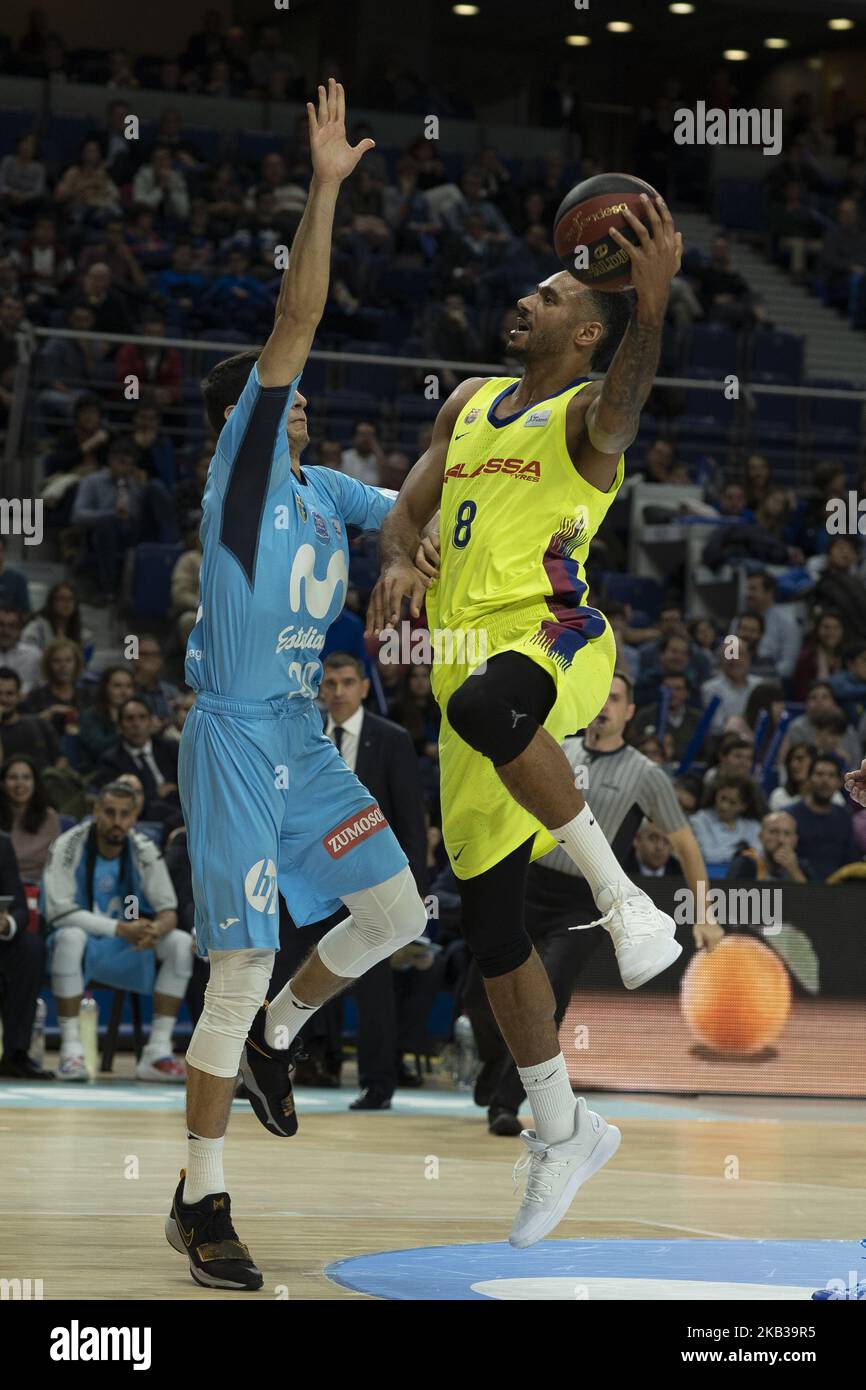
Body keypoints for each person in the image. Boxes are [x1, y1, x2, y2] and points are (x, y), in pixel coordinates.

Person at [367, 192, 686, 1244]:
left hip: (556, 635)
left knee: (487, 699)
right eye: (531, 292)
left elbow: (628, 406)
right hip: (464, 663)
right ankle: (562, 1129)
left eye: (549, 297)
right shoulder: (467, 403)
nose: (526, 301)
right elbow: (408, 508)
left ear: (588, 332)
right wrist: (397, 560)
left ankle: (624, 902)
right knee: (493, 930)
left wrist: (650, 308)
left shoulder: (590, 412)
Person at [170, 81, 430, 1293]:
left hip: (297, 737)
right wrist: (325, 187)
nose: (305, 402)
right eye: (284, 395)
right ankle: (201, 1202)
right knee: (233, 967)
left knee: (396, 916)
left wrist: (411, 543)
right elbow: (299, 311)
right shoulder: (240, 477)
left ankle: (283, 1033)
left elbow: (416, 505)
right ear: (246, 414)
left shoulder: (324, 489)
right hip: (231, 739)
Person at [462, 672, 720, 1137]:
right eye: (601, 696)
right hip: (526, 883)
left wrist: (704, 914)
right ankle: (495, 1060)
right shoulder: (555, 745)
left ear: (629, 711)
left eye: (615, 699)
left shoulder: (646, 773)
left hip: (582, 904)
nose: (604, 706)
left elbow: (686, 845)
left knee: (548, 993)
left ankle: (505, 1101)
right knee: (477, 994)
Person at [41, 781, 191, 1083]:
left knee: (180, 943)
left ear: (135, 816)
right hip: (81, 942)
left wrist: (155, 929)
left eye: (125, 814)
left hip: (126, 942)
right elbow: (59, 912)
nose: (117, 821)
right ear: (96, 811)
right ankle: (71, 1051)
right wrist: (120, 928)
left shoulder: (143, 849)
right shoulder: (69, 844)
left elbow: (168, 910)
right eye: (110, 812)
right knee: (70, 937)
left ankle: (157, 1052)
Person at [0, 825, 50, 1079]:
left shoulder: (2, 843)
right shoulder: (75, 847)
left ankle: (16, 1053)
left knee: (31, 948)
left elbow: (19, 906)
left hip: (0, 940)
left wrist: (7, 923)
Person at [789, 755, 857, 881]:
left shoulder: (845, 815)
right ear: (809, 778)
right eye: (819, 774)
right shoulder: (790, 815)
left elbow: (851, 859)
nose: (825, 780)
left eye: (831, 775)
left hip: (840, 887)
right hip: (799, 886)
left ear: (839, 782)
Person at [0, 755, 61, 884]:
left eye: (26, 777)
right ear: (2, 783)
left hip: (42, 888)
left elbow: (56, 863)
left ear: (35, 783)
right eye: (13, 777)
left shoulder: (49, 818)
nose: (20, 783)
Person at [22, 638, 91, 738]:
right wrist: (49, 713)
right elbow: (24, 728)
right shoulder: (36, 696)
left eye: (68, 660)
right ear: (48, 665)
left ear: (76, 664)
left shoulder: (86, 695)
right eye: (57, 661)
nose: (63, 666)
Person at [689, 774, 762, 869]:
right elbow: (708, 855)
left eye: (732, 802)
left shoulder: (754, 826)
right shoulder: (699, 820)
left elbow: (758, 854)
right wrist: (739, 851)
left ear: (743, 806)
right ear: (716, 794)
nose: (724, 806)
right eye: (722, 798)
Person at [0, 667, 60, 772]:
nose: (3, 699)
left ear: (19, 696)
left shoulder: (39, 724)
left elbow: (60, 759)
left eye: (10, 694)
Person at [727, 810, 813, 881]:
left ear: (795, 840)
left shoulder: (801, 867)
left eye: (787, 833)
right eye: (773, 832)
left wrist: (794, 871)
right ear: (761, 836)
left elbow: (812, 896)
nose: (780, 840)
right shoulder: (745, 863)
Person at [78, 664, 136, 770]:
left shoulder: (139, 714)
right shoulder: (91, 715)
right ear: (105, 688)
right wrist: (126, 733)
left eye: (129, 686)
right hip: (100, 770)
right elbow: (97, 748)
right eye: (117, 686)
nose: (124, 692)